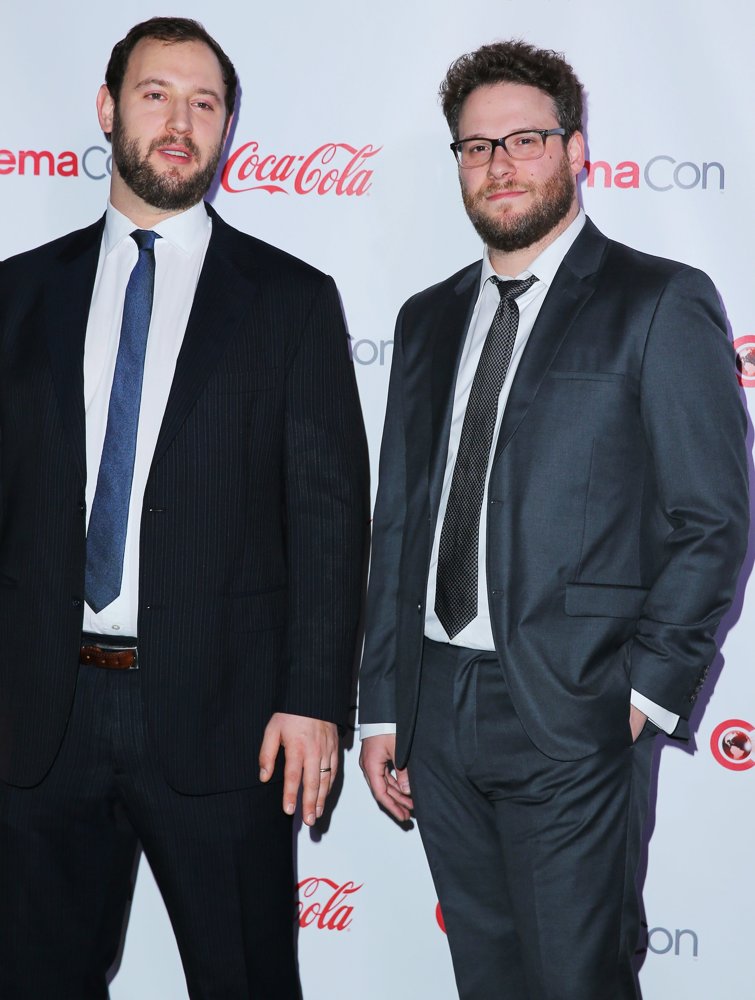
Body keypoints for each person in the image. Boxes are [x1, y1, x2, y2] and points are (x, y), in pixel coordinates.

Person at [359, 39, 748, 999]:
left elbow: (714, 518)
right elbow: (399, 523)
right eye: (475, 146)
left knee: (577, 982)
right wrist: (380, 701)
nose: (499, 165)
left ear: (576, 149)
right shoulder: (424, 317)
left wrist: (641, 694)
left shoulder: (657, 300)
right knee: (486, 980)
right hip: (434, 708)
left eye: (524, 139)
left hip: (574, 710)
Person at [0, 17, 368, 999]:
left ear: (227, 129)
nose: (181, 121)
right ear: (108, 107)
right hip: (38, 715)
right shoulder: (16, 296)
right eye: (158, 94)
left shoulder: (292, 300)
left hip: (229, 717)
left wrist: (316, 698)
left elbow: (329, 514)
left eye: (206, 103)